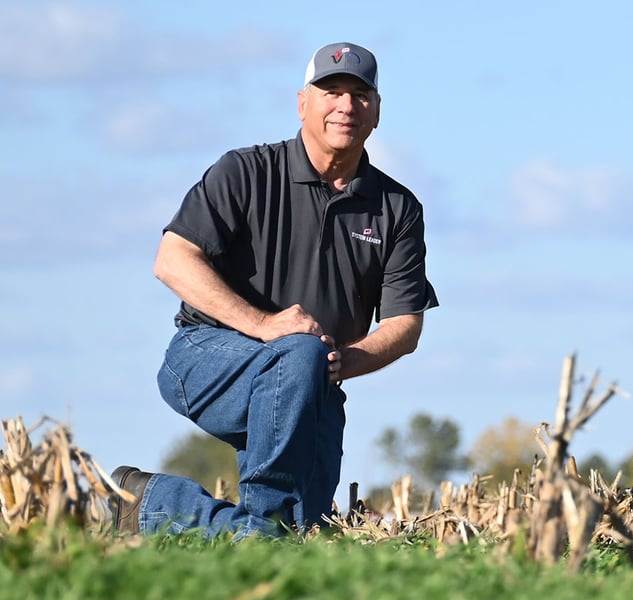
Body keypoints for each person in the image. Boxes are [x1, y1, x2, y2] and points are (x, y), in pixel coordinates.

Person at [110, 42, 438, 539]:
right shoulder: (244, 171)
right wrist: (265, 327)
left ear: (377, 110)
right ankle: (262, 531)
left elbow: (404, 325)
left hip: (313, 384)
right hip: (205, 358)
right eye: (331, 92)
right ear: (303, 103)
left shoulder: (398, 208)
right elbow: (172, 260)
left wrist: (345, 361)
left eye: (359, 94)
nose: (345, 106)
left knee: (302, 527)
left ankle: (151, 503)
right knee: (299, 351)